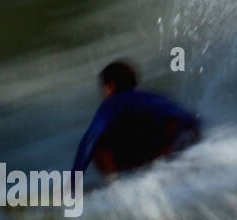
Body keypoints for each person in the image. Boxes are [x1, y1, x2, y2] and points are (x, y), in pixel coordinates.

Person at [71, 60, 201, 179]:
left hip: (170, 135)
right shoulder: (152, 96)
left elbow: (91, 137)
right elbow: (185, 119)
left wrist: (73, 181)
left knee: (100, 143)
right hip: (189, 132)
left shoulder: (113, 102)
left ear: (110, 87)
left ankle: (115, 188)